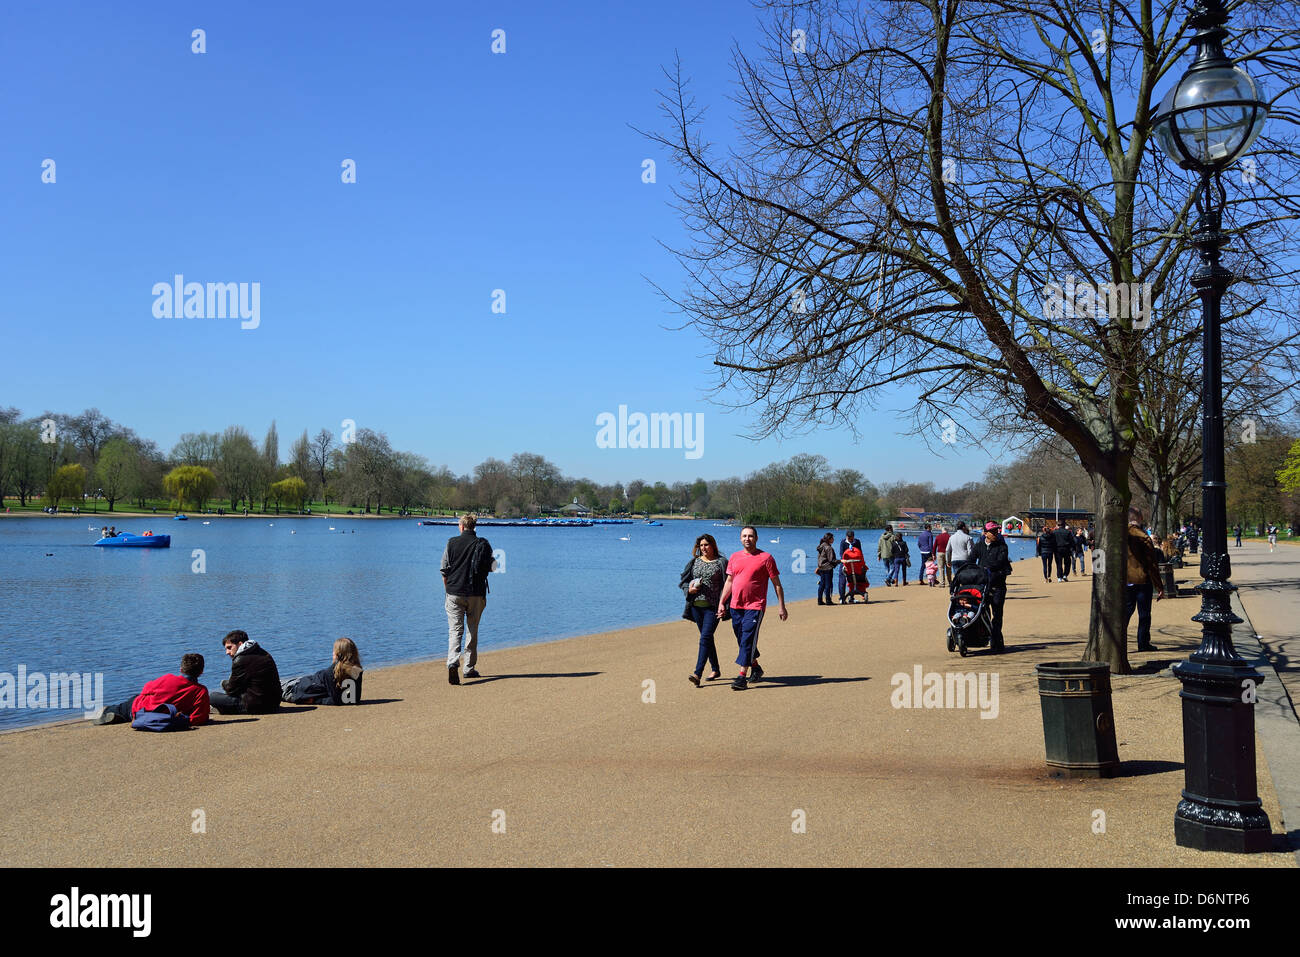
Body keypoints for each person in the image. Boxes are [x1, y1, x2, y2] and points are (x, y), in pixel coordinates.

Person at [717, 526, 788, 691]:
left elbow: (777, 585)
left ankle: (742, 677)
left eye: (750, 536)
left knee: (748, 639)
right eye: (744, 536)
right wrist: (722, 602)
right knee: (742, 640)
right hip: (736, 605)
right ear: (740, 538)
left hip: (755, 606)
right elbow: (729, 581)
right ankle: (756, 668)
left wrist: (781, 607)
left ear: (756, 538)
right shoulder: (734, 557)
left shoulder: (766, 558)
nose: (747, 539)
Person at [441, 513, 495, 685]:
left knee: (455, 631)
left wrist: (448, 590)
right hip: (476, 594)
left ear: (462, 526)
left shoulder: (451, 543)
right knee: (472, 630)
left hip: (454, 593)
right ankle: (468, 668)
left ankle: (452, 662)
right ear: (474, 527)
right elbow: (494, 567)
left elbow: (444, 570)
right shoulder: (483, 544)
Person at [91, 653, 210, 725]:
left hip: (140, 708)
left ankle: (107, 712)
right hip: (162, 716)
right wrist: (185, 718)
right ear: (201, 672)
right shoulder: (200, 691)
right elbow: (200, 717)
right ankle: (115, 714)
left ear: (181, 669)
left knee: (127, 704)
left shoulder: (168, 678)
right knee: (132, 703)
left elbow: (146, 689)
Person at [682, 533, 727, 685]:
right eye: (701, 545)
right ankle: (715, 668)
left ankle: (697, 673)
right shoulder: (694, 562)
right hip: (696, 607)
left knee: (705, 638)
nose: (703, 548)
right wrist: (689, 589)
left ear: (713, 545)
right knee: (707, 638)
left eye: (706, 545)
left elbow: (729, 584)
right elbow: (683, 582)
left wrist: (725, 604)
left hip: (713, 607)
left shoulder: (721, 562)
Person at [209, 631, 282, 714]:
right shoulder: (262, 652)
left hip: (256, 706)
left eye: (229, 648)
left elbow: (231, 689)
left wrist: (223, 683)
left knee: (212, 697)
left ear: (240, 644)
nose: (227, 652)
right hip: (274, 703)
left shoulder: (240, 660)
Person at [1125, 508, 1165, 652]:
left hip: (1125, 579)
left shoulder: (1119, 534)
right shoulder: (1143, 536)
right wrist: (1159, 586)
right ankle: (1143, 643)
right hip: (1142, 580)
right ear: (1139, 518)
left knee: (1126, 611)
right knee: (1144, 614)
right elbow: (1151, 563)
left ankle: (1119, 641)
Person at [280, 638, 364, 705]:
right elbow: (354, 698)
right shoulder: (356, 670)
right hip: (301, 685)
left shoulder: (330, 673)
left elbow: (337, 700)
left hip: (296, 691)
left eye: (334, 651)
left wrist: (315, 700)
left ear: (337, 654)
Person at [970, 522, 1011, 653]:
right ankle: (986, 635)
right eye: (992, 531)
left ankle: (996, 639)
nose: (995, 533)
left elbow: (1000, 561)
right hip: (983, 585)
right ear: (985, 533)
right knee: (983, 611)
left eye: (996, 531)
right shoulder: (979, 546)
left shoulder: (1002, 546)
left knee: (997, 613)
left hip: (998, 584)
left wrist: (987, 567)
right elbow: (971, 559)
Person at [945, 522, 974, 592]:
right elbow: (970, 551)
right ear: (963, 527)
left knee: (957, 576)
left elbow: (947, 550)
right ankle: (965, 590)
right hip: (965, 559)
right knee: (966, 576)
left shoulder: (951, 537)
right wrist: (972, 561)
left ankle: (957, 591)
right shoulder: (968, 537)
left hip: (955, 559)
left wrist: (947, 560)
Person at [815, 532, 837, 606]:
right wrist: (840, 561)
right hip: (827, 568)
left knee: (822, 584)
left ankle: (819, 600)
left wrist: (819, 566)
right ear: (829, 539)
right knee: (828, 584)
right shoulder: (828, 548)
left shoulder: (821, 546)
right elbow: (831, 560)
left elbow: (820, 558)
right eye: (832, 538)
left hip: (821, 568)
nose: (833, 539)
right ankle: (828, 600)